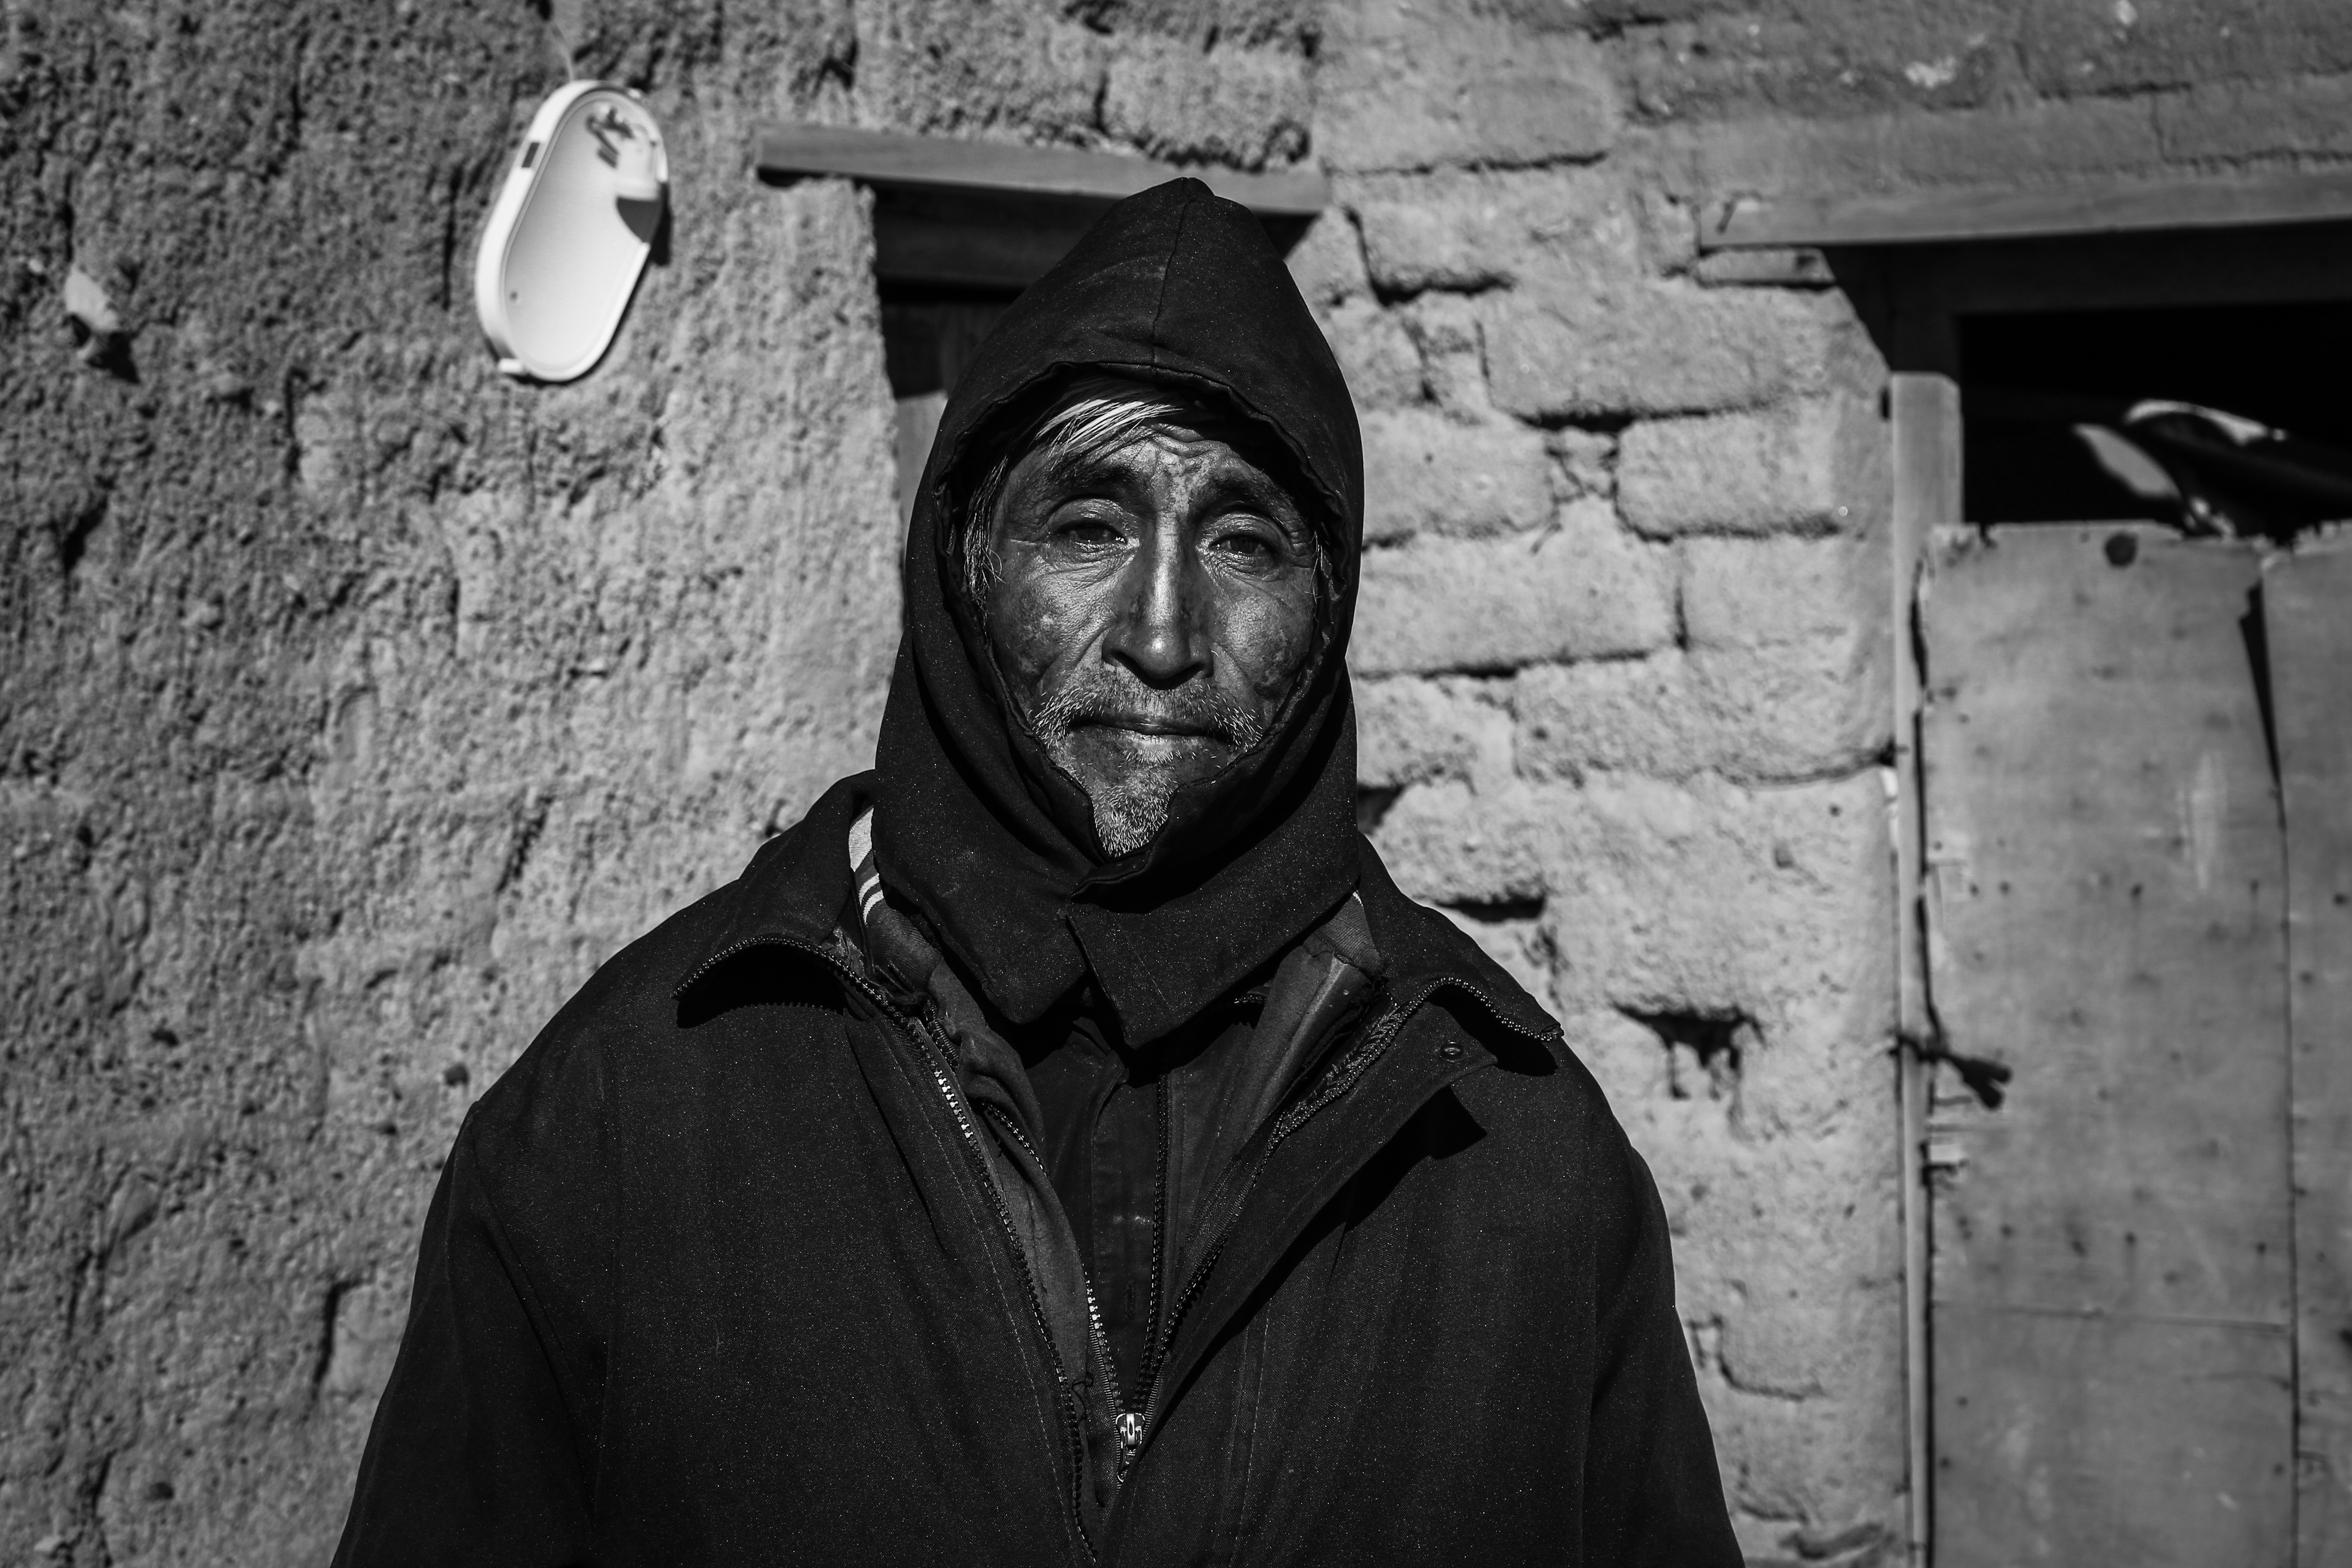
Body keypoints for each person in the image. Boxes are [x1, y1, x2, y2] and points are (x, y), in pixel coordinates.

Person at [333, 178, 1740, 1567]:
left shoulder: (1505, 1140)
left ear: (1331, 603)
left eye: (1244, 540)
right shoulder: (630, 1113)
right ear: (960, 563)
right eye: (1087, 527)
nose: (1164, 632)